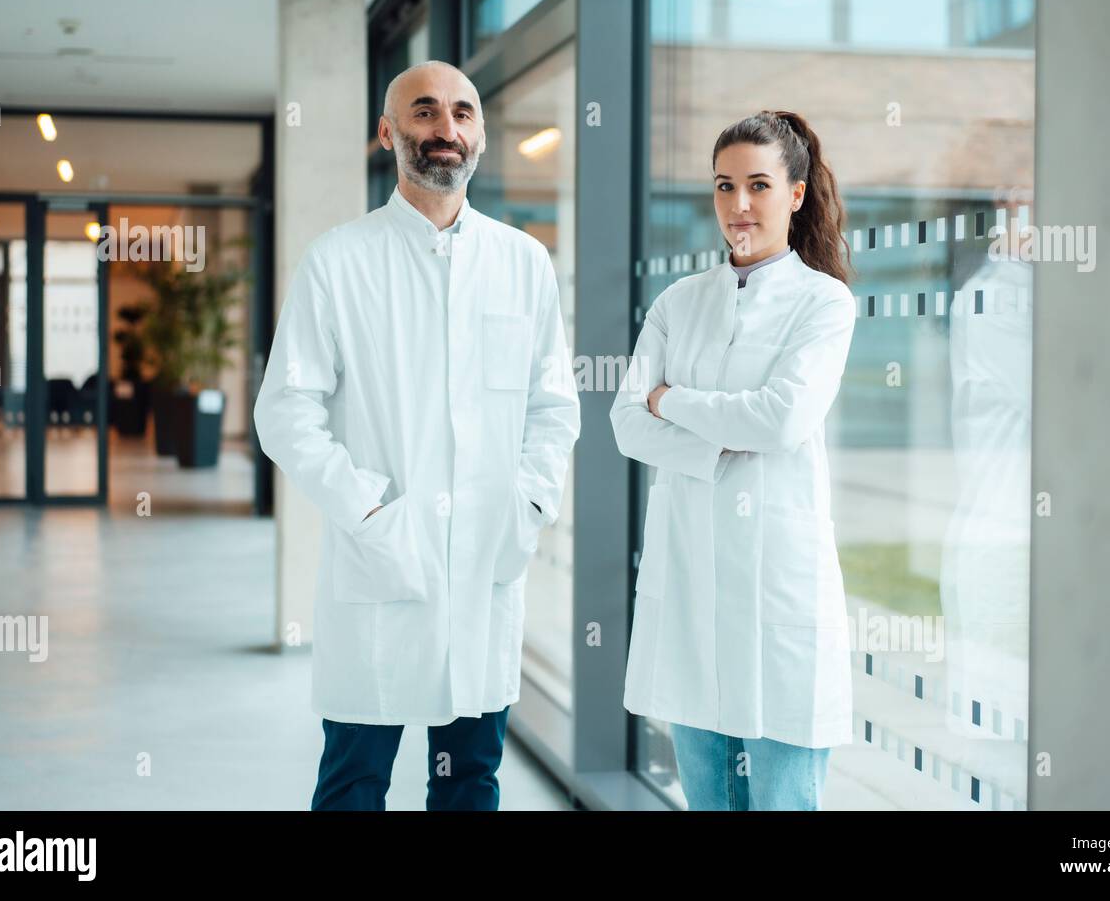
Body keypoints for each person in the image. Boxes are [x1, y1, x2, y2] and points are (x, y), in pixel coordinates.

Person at [253, 60, 580, 811]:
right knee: (353, 783)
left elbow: (554, 406)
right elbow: (286, 410)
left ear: (481, 135)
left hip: (486, 564)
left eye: (462, 113)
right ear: (388, 132)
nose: (446, 129)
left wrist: (526, 507)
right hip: (381, 562)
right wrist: (371, 512)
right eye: (425, 112)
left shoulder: (523, 262)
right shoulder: (339, 260)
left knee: (471, 782)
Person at [610, 109, 856, 810]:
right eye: (724, 186)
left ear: (797, 192)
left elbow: (781, 418)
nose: (739, 205)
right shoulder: (677, 302)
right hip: (691, 585)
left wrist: (670, 398)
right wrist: (716, 426)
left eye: (758, 185)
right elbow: (626, 425)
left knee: (782, 800)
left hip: (780, 591)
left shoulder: (824, 304)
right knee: (708, 799)